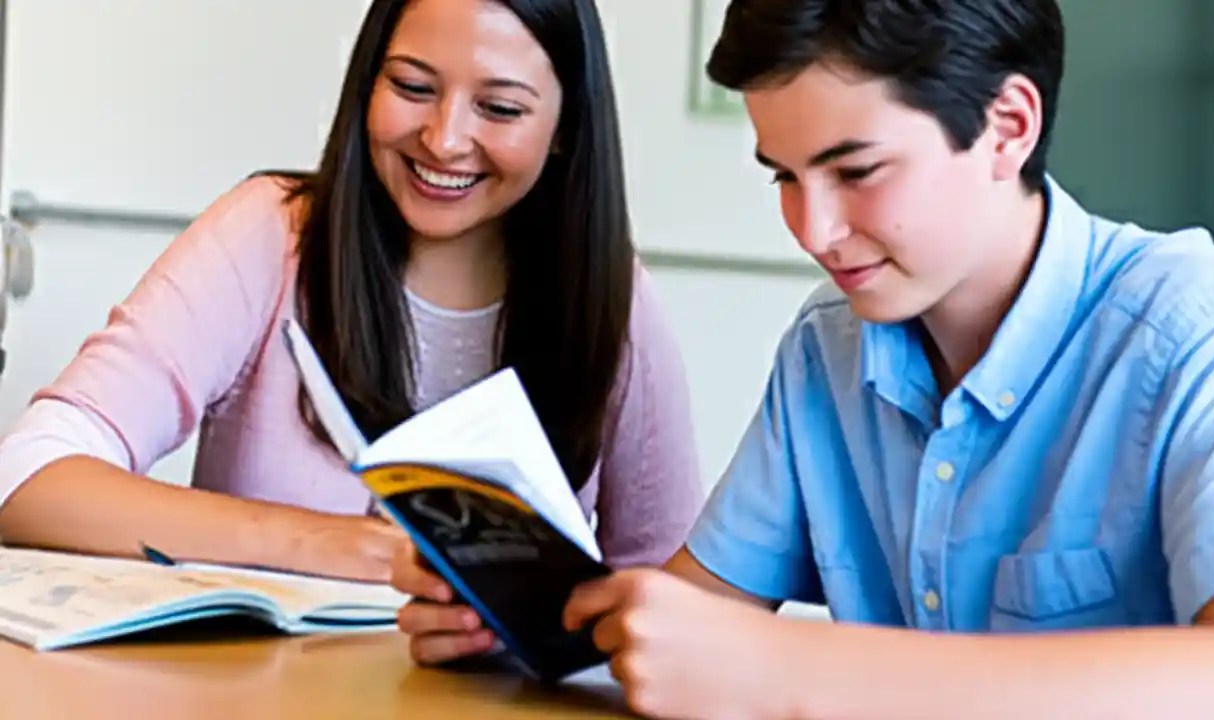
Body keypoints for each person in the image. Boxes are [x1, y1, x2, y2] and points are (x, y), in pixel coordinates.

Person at [400, 0, 1214, 716]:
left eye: (855, 171)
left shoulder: (1206, 332)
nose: (813, 231)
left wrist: (790, 669)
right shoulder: (829, 348)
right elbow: (697, 626)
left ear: (1008, 126)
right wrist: (526, 625)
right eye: (783, 176)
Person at [0, 0, 702, 597]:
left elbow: (674, 603)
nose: (445, 138)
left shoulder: (615, 305)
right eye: (413, 86)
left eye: (499, 108)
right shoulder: (270, 237)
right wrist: (340, 547)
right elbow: (26, 479)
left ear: (564, 132)